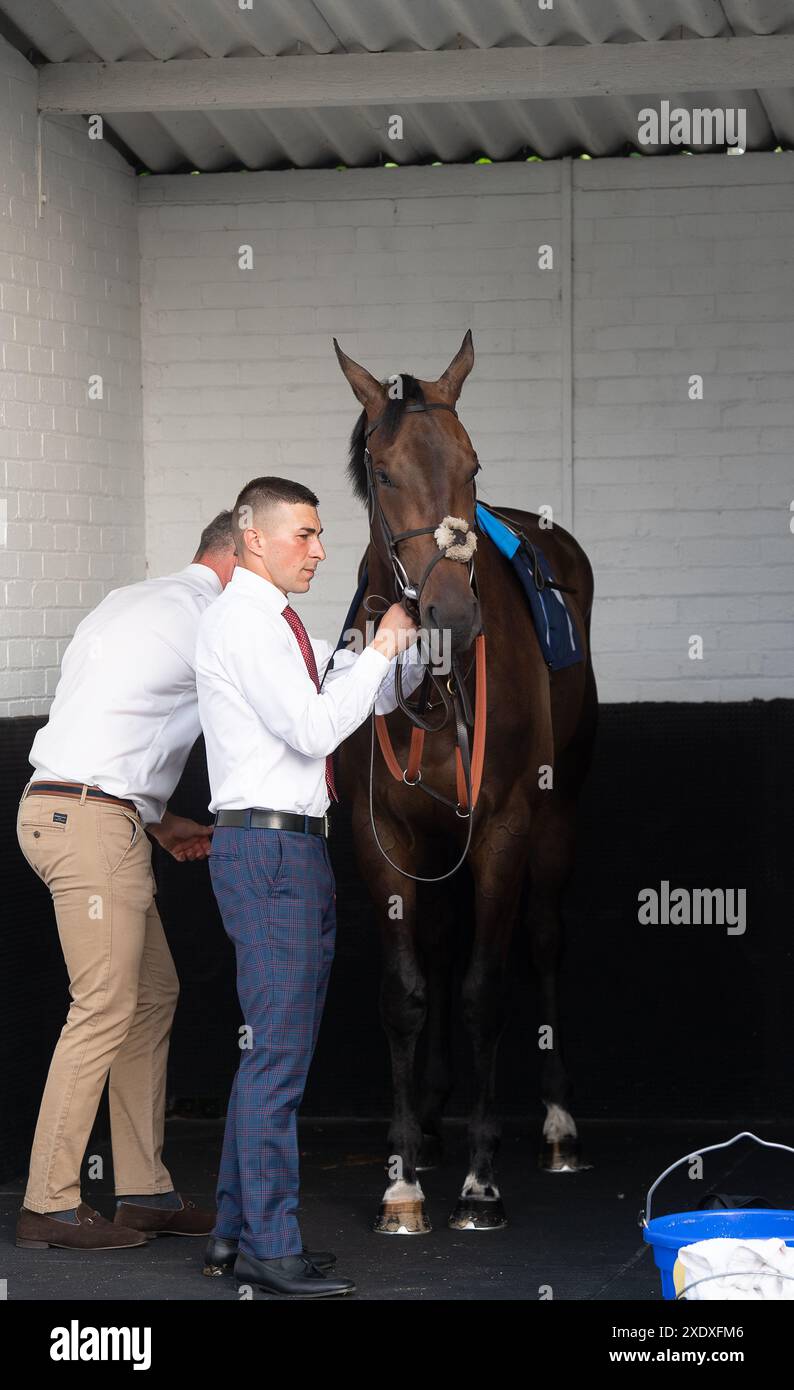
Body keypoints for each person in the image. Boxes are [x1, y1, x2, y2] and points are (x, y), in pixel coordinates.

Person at [196, 476, 424, 1298]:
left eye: (322, 534)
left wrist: (386, 666)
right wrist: (382, 655)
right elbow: (315, 727)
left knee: (268, 1052)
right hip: (268, 854)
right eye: (305, 535)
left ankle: (232, 1234)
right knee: (278, 1062)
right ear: (252, 538)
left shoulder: (275, 626)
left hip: (290, 852)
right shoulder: (247, 625)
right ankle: (269, 1248)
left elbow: (329, 707)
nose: (320, 550)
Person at [15, 512, 237, 1253]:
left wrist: (158, 819)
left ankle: (142, 1191)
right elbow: (266, 713)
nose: (309, 557)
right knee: (105, 1004)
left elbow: (112, 730)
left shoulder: (133, 600)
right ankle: (48, 1202)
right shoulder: (213, 618)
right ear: (239, 552)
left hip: (76, 809)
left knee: (149, 993)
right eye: (297, 539)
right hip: (91, 824)